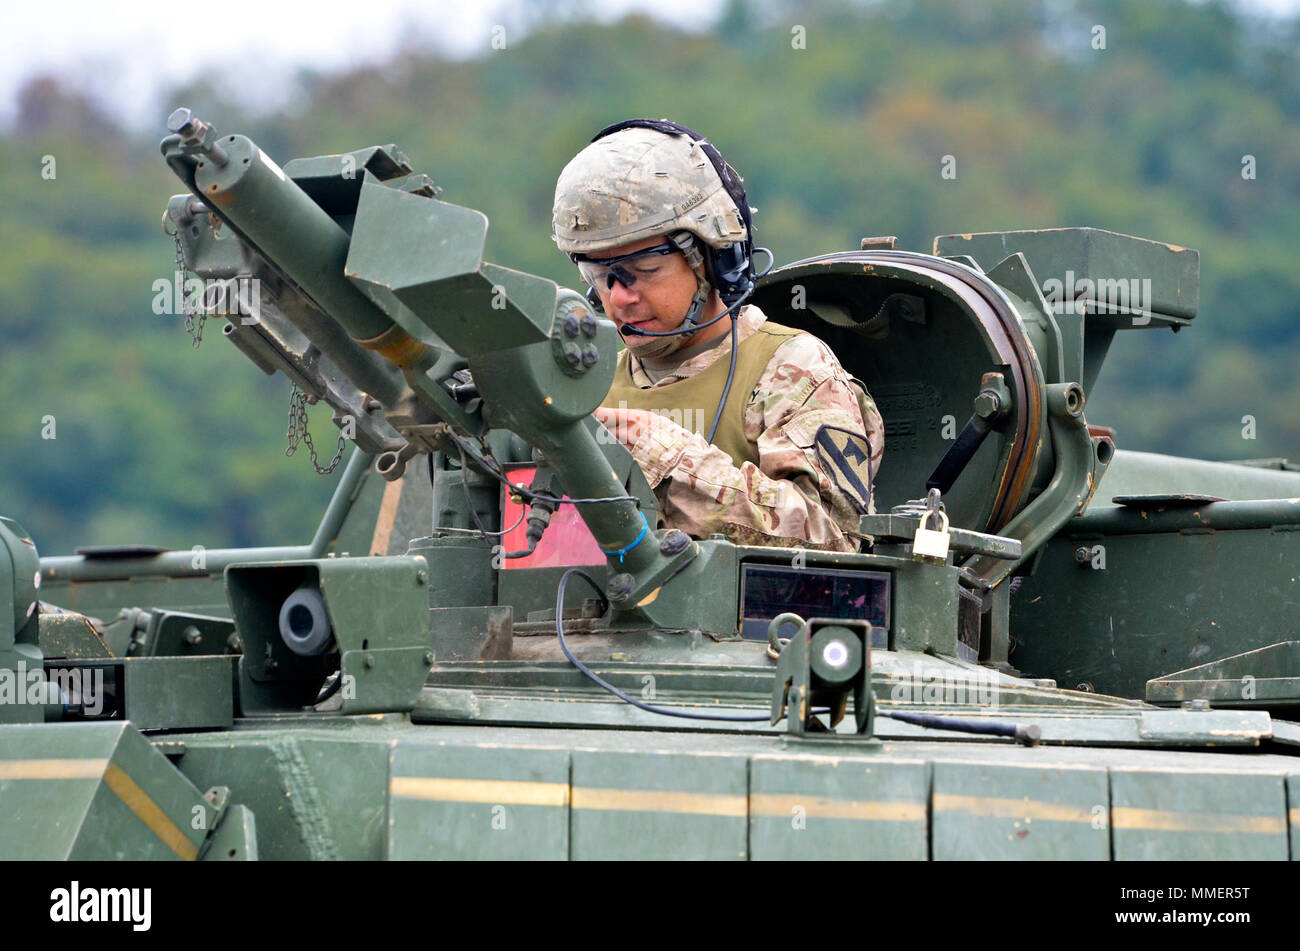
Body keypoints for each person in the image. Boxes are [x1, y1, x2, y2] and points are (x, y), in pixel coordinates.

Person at [552, 119, 884, 553]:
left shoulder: (792, 370)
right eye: (599, 275)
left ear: (715, 257)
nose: (619, 298)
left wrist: (665, 456)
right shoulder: (587, 388)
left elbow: (835, 539)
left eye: (644, 271)